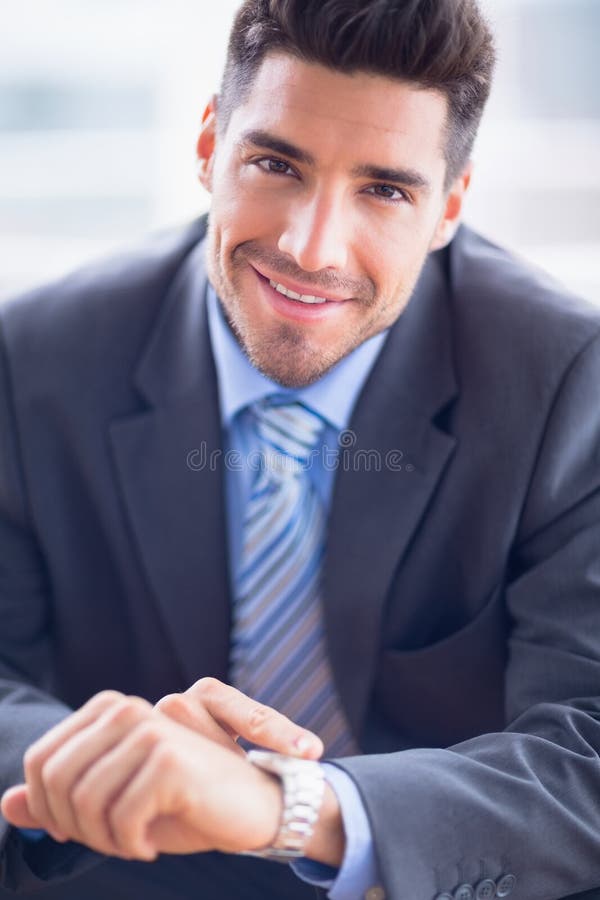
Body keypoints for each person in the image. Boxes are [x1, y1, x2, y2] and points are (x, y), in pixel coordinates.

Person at [1, 0, 599, 898]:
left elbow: (586, 747)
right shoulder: (36, 356)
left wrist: (280, 803)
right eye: (275, 163)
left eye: (385, 189)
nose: (308, 246)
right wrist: (101, 762)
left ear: (451, 206)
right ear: (210, 145)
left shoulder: (566, 379)